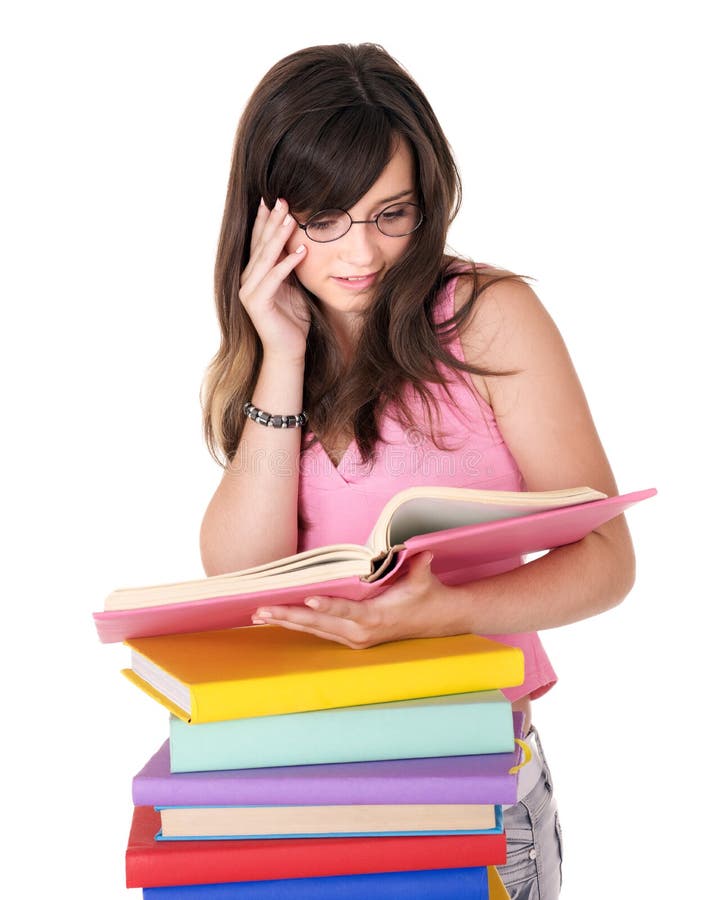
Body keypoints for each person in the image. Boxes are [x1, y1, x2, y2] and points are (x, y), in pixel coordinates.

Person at [199, 43, 635, 900]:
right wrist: (280, 357)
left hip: (467, 772)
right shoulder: (275, 346)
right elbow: (241, 572)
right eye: (325, 219)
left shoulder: (486, 317)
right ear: (268, 216)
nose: (362, 253)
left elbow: (609, 560)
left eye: (391, 214)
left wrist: (450, 611)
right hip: (302, 779)